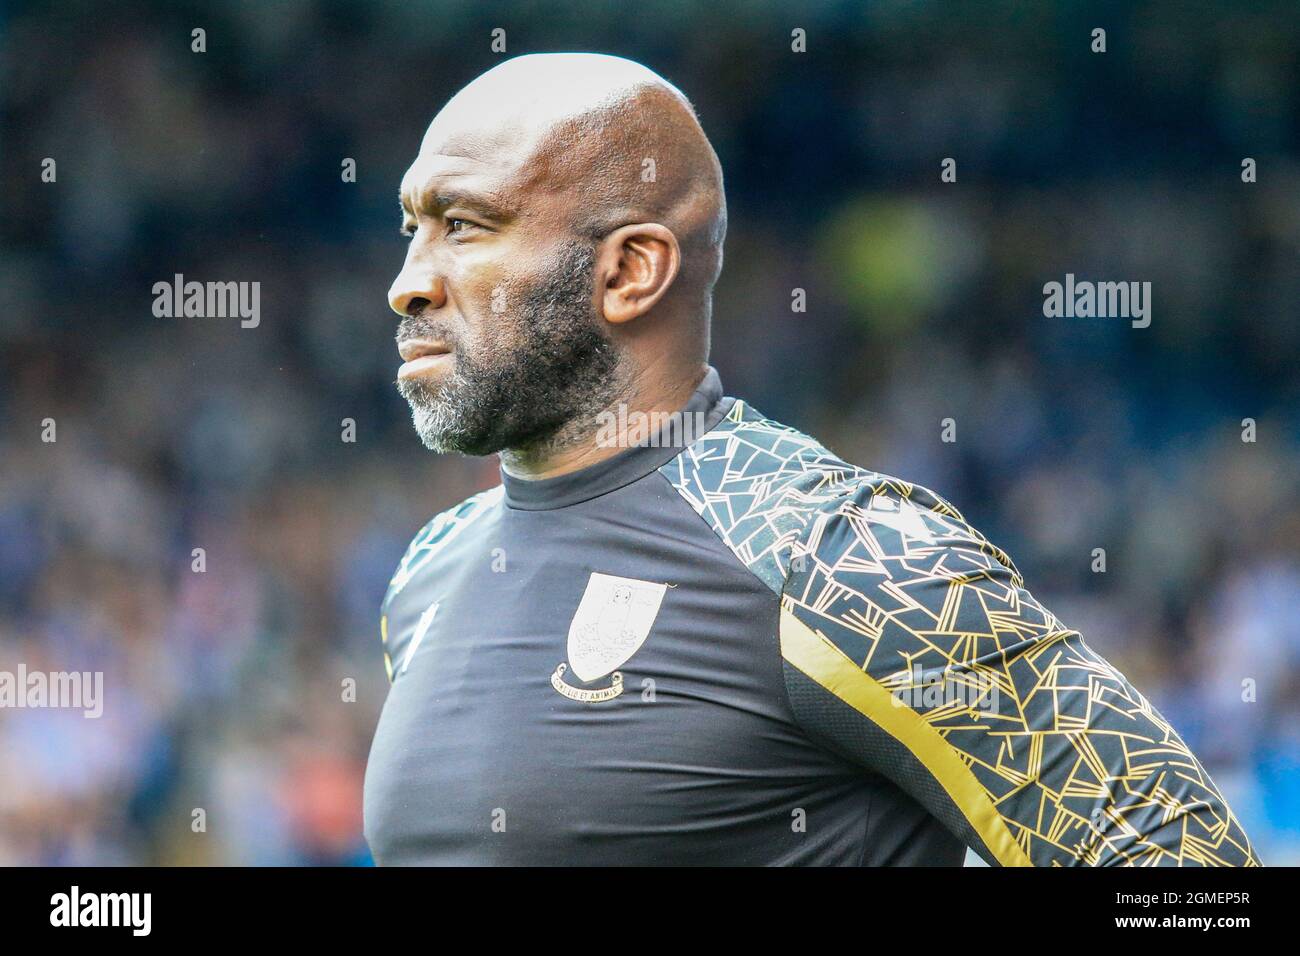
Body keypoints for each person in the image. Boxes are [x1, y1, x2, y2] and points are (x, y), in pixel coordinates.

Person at [362, 53, 1258, 866]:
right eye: (413, 227)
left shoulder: (834, 553)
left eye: (465, 226)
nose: (409, 280)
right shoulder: (429, 571)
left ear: (630, 271)